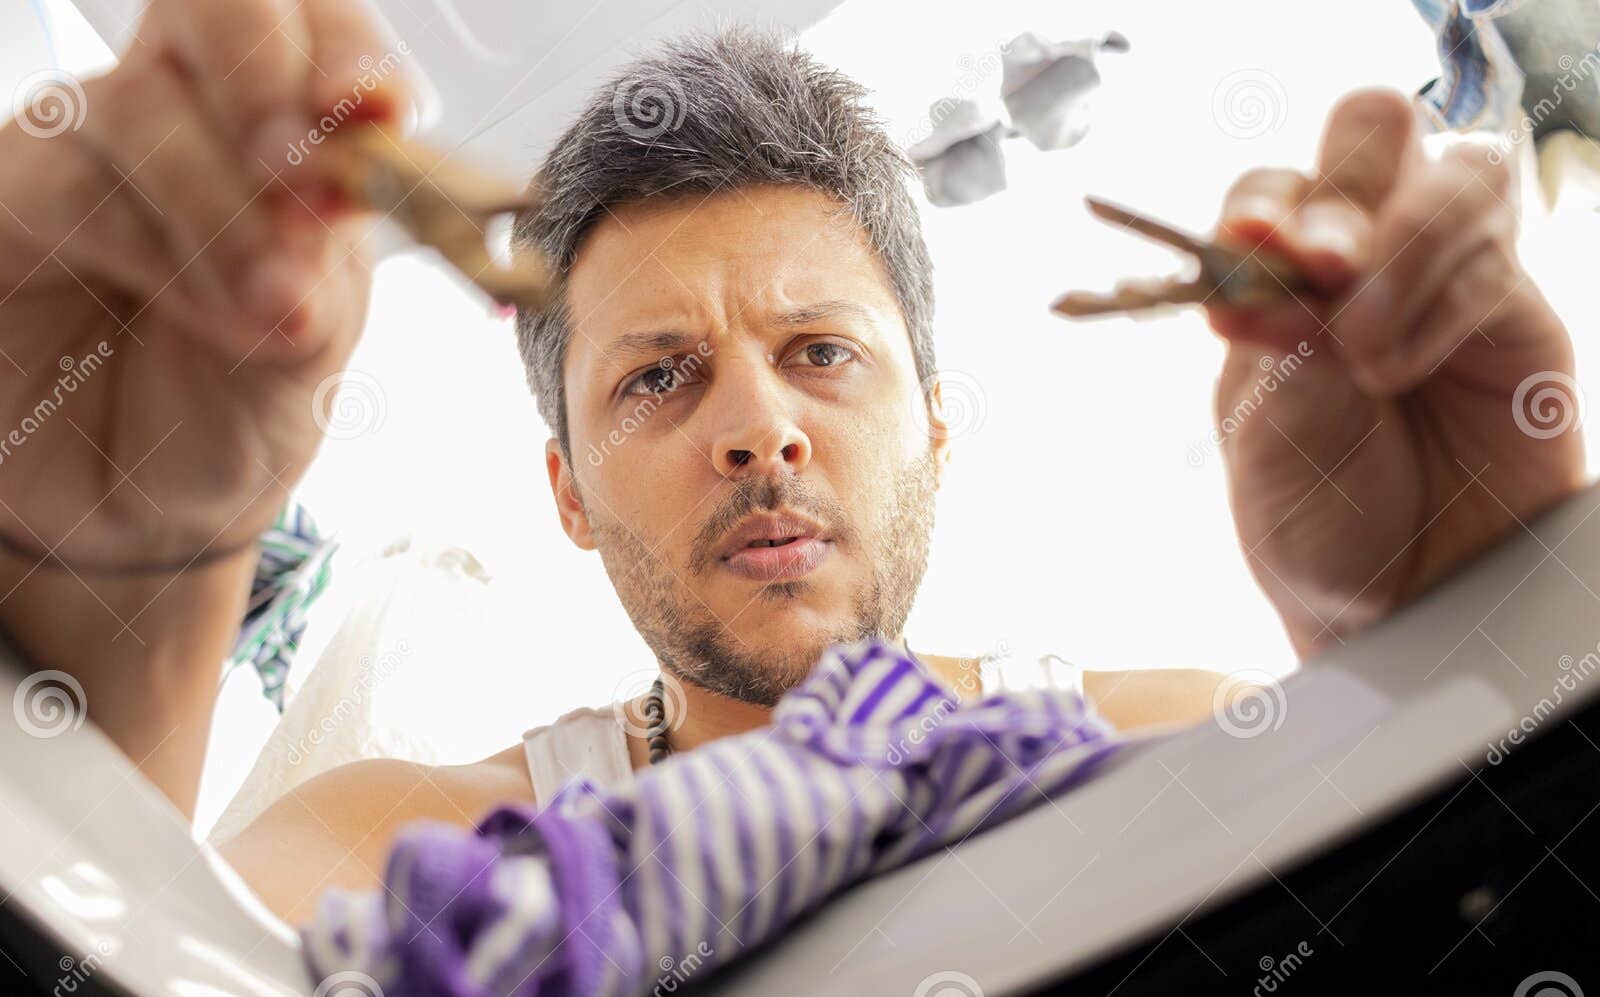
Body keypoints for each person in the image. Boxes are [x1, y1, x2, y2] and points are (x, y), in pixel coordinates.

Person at [0, 1, 1582, 925]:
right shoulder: (404, 855)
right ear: (567, 491)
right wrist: (117, 613)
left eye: (822, 352)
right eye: (660, 378)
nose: (759, 428)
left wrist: (1472, 672)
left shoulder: (1168, 743)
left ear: (938, 426)